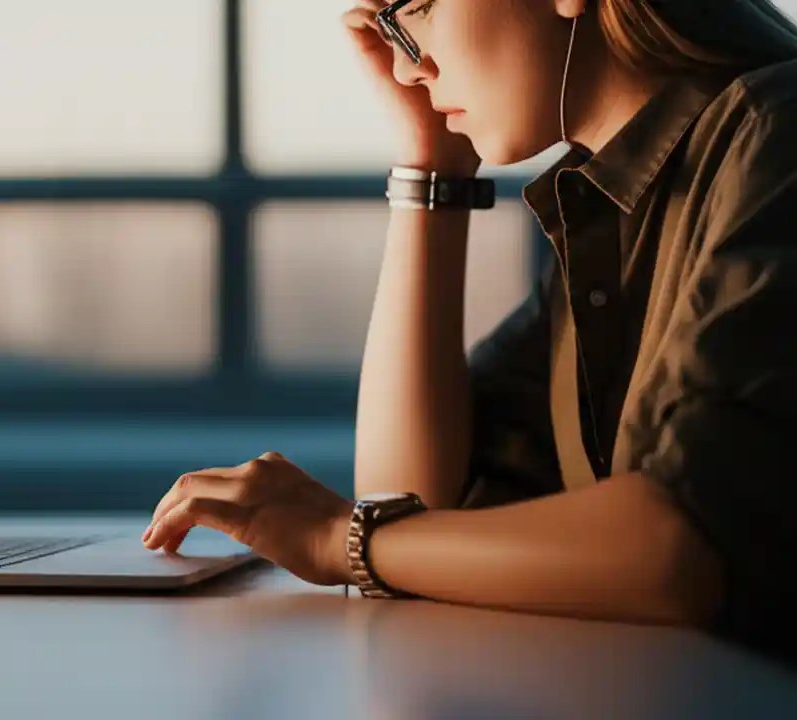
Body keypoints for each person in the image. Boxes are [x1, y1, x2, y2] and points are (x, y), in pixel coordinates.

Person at [141, 0, 797, 656]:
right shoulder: (613, 210)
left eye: (412, 11)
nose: (405, 69)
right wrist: (433, 167)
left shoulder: (778, 132)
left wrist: (336, 536)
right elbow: (417, 502)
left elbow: (682, 549)